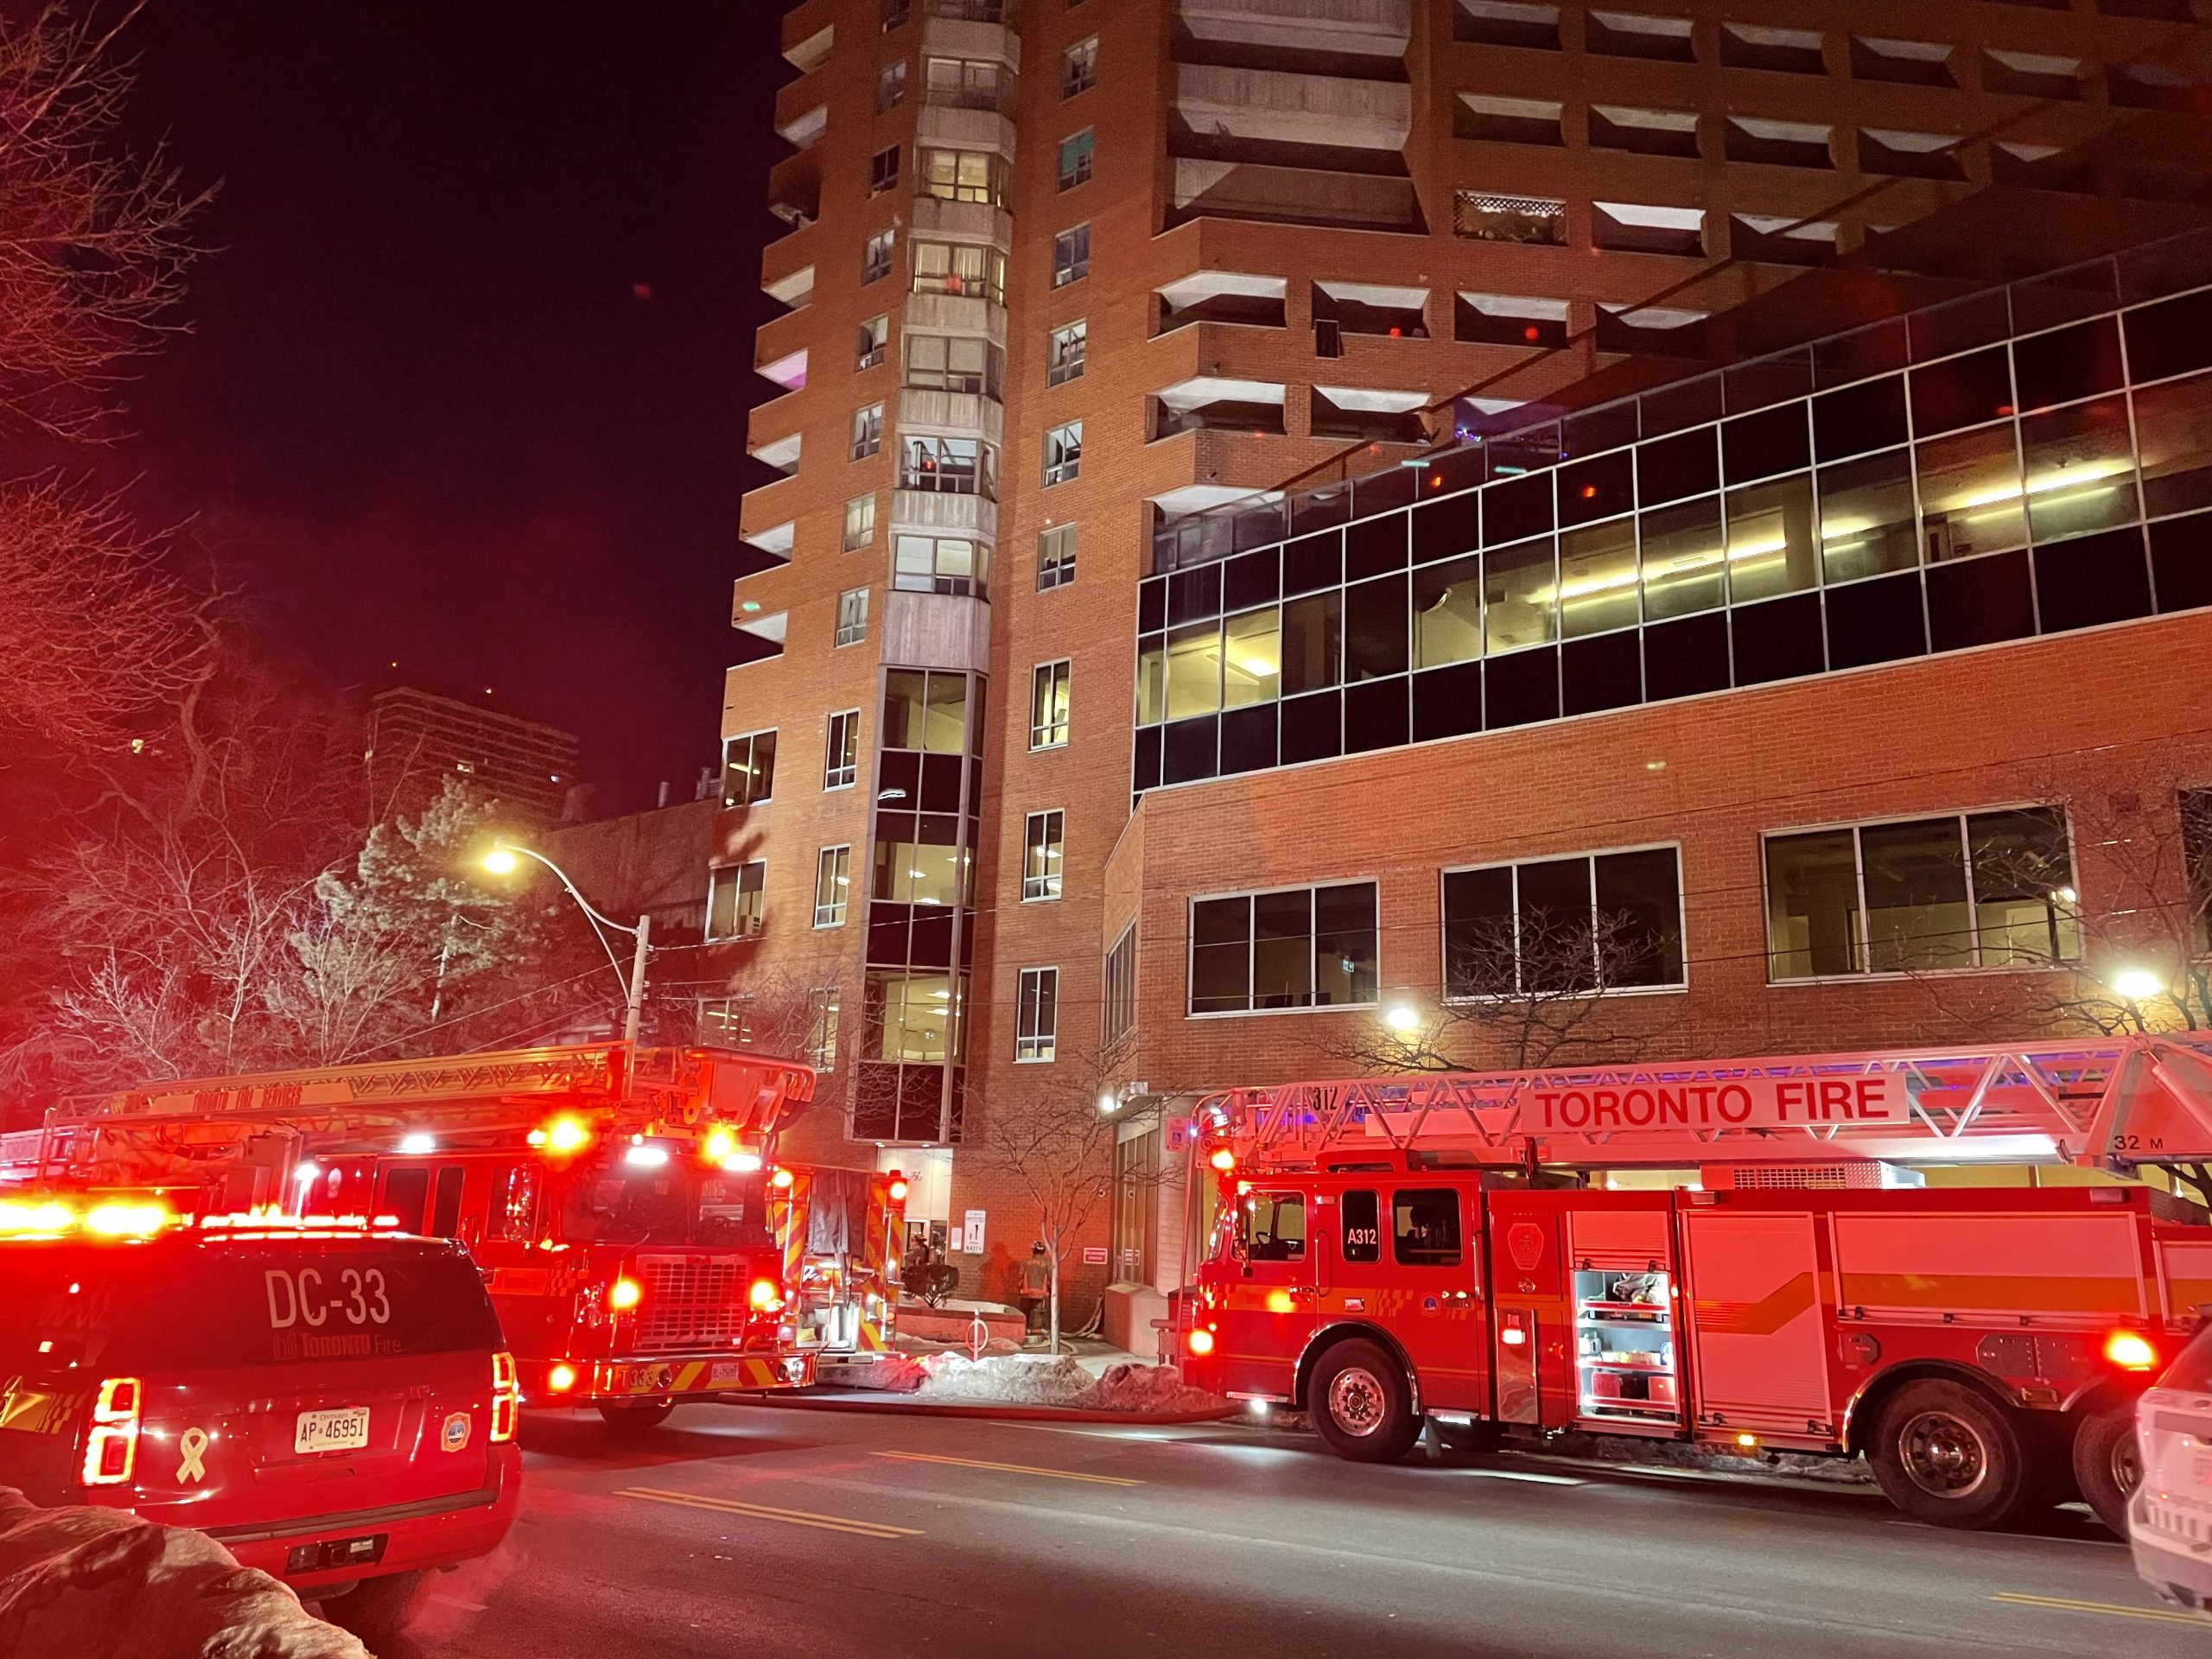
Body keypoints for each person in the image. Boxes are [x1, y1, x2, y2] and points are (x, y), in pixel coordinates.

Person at [1019, 1243, 1050, 1337]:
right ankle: (1036, 1334)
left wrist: (1020, 1288)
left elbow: (1020, 1276)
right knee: (1037, 1313)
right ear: (1043, 1251)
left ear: (1034, 1251)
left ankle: (1022, 1332)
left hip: (1026, 1293)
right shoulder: (1047, 1263)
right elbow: (1051, 1278)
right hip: (1040, 1293)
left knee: (1025, 1313)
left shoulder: (1025, 1262)